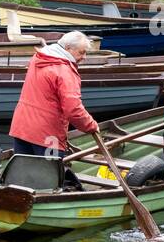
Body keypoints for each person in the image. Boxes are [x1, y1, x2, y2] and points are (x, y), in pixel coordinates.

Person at [10, 31, 99, 168]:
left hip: (22, 127)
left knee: (23, 177)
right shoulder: (65, 71)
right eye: (81, 53)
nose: (84, 57)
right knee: (49, 180)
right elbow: (73, 109)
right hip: (47, 135)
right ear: (68, 48)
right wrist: (91, 125)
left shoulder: (38, 58)